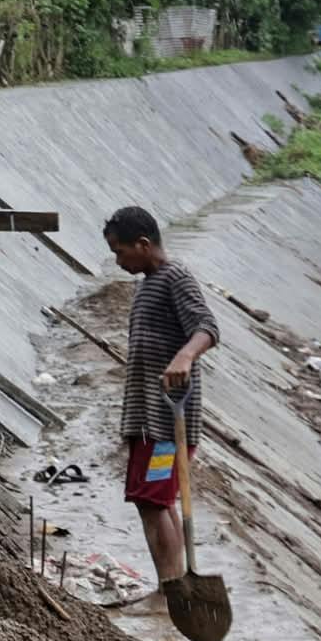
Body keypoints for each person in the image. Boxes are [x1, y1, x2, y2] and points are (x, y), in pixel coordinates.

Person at [103, 206, 220, 600]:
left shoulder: (175, 277)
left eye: (120, 252)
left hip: (169, 421)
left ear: (143, 244)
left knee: (153, 501)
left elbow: (207, 327)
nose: (118, 261)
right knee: (154, 500)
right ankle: (172, 586)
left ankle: (170, 592)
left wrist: (185, 356)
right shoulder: (147, 284)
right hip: (146, 418)